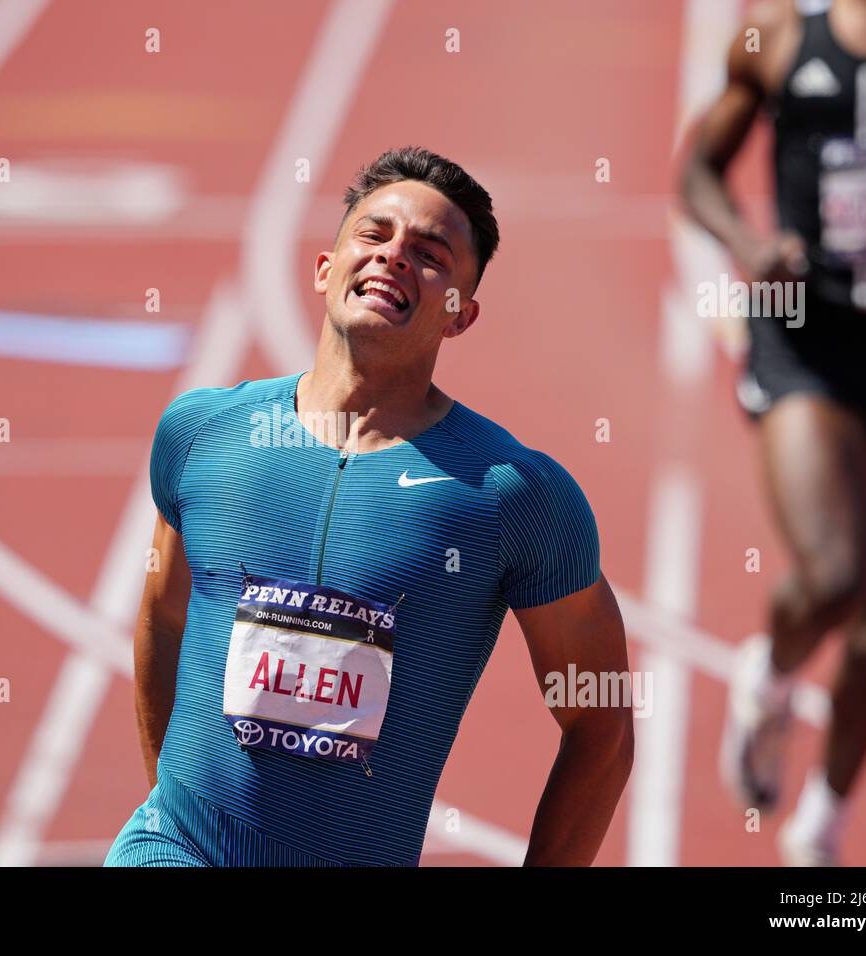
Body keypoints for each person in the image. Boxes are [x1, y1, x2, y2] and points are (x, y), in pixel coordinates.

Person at [104, 145, 633, 867]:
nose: (393, 257)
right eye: (374, 235)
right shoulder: (204, 432)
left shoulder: (514, 493)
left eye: (430, 254)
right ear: (326, 268)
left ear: (460, 315)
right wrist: (170, 813)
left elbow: (598, 719)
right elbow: (163, 615)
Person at [681, 0, 866, 865]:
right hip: (809, 339)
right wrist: (743, 242)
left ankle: (821, 827)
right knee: (836, 575)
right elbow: (698, 171)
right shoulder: (781, 36)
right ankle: (770, 676)